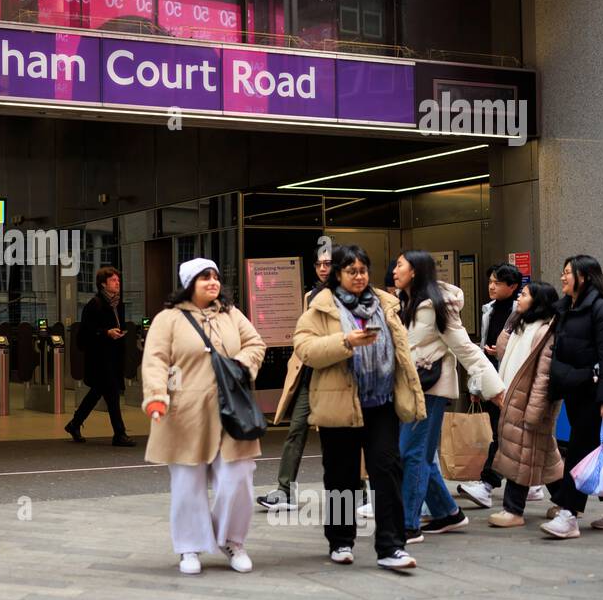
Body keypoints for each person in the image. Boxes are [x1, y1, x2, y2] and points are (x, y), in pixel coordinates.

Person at [292, 244, 426, 571]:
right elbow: (305, 349)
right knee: (342, 476)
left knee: (388, 469)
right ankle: (340, 540)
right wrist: (346, 342)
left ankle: (391, 546)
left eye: (363, 270)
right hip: (340, 402)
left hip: (381, 403)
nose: (359, 277)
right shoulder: (320, 307)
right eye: (351, 271)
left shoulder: (385, 303)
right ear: (338, 274)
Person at [142, 259, 266, 574]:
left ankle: (231, 539)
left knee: (237, 479)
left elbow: (255, 343)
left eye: (215, 276)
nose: (213, 282)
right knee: (187, 485)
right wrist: (156, 397)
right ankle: (189, 547)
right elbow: (155, 359)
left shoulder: (232, 314)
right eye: (204, 277)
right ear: (189, 283)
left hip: (231, 412)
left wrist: (240, 364)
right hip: (184, 412)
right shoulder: (167, 319)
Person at [392, 250, 504, 543]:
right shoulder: (405, 303)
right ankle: (447, 513)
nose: (395, 270)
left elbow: (466, 349)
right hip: (410, 390)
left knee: (411, 454)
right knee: (422, 457)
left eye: (400, 265)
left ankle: (408, 524)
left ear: (415, 271)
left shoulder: (438, 306)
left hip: (430, 390)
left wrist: (495, 389)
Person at [543, 255, 603, 537]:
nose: (562, 277)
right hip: (575, 389)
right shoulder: (567, 309)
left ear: (583, 277)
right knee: (595, 449)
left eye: (567, 272)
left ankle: (569, 514)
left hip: (594, 392)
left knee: (580, 448)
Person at [260, 245, 332, 511]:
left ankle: (357, 492)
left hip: (335, 376)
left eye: (328, 263)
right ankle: (285, 490)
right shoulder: (310, 296)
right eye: (318, 264)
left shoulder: (348, 295)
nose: (323, 268)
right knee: (296, 429)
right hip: (308, 372)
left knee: (340, 436)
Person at [487, 282, 564, 527]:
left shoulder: (545, 332)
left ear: (538, 301)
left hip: (529, 402)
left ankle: (514, 510)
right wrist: (512, 320)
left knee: (521, 453)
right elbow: (502, 352)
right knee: (544, 456)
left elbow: (544, 376)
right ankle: (566, 503)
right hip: (513, 397)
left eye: (525, 294)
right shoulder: (523, 325)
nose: (519, 297)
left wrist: (534, 410)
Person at [457, 264, 530, 508]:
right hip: (491, 376)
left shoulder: (521, 311)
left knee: (502, 433)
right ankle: (536, 482)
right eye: (490, 281)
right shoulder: (487, 309)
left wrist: (502, 351)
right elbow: (480, 350)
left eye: (497, 283)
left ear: (512, 287)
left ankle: (487, 484)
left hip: (510, 379)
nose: (491, 286)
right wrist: (476, 387)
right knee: (508, 433)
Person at [65, 267, 135, 446]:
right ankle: (119, 434)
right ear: (103, 284)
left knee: (97, 393)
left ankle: (74, 424)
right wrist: (106, 332)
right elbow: (85, 333)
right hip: (99, 358)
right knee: (111, 394)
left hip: (113, 356)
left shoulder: (118, 304)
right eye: (113, 280)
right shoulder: (94, 304)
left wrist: (117, 334)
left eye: (118, 280)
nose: (117, 283)